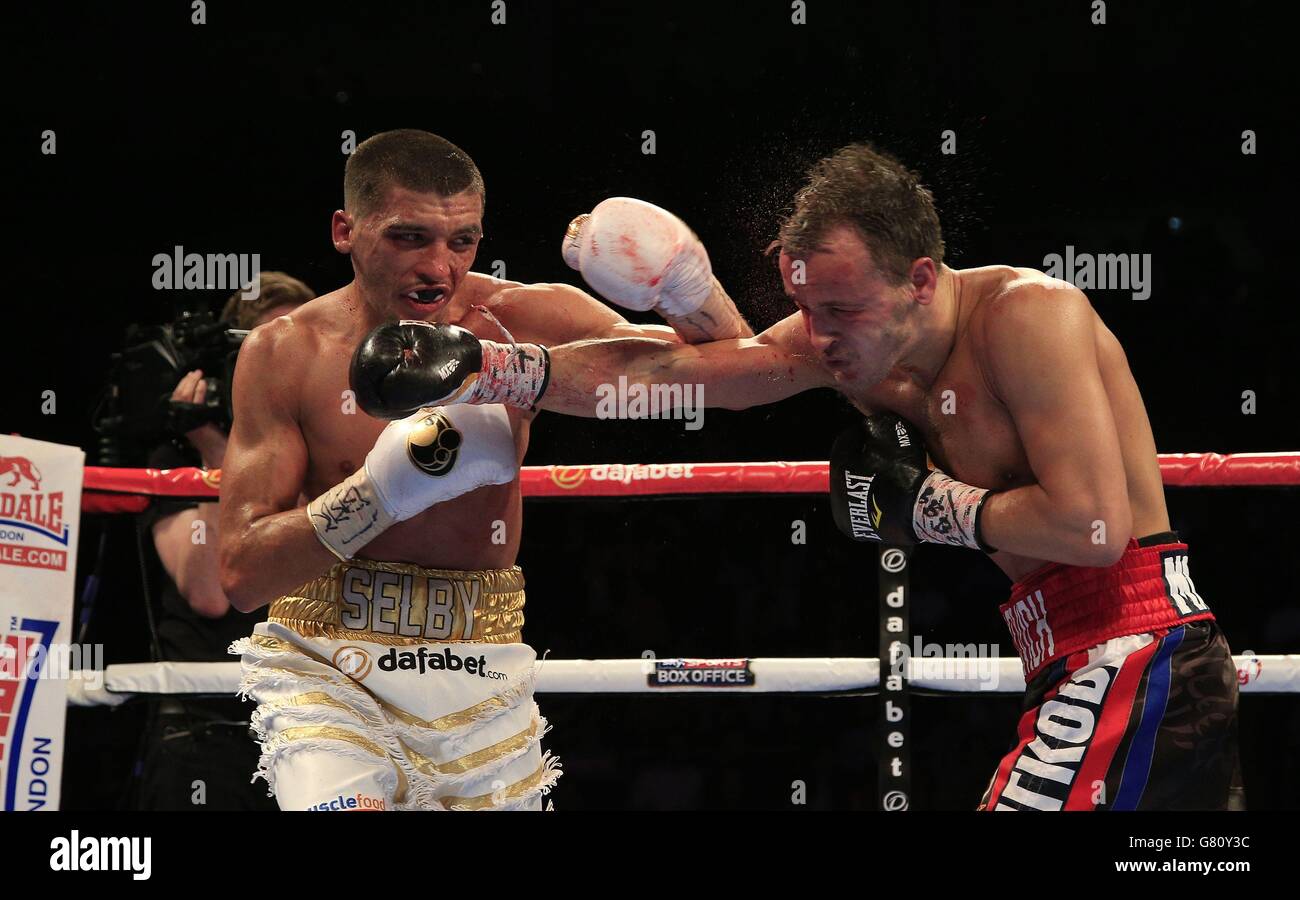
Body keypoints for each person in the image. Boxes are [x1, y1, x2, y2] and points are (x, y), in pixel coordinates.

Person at [392, 143, 1243, 811]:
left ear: (918, 280)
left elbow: (1091, 531)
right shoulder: (848, 344)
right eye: (806, 307)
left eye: (841, 310)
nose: (819, 335)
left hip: (1138, 654)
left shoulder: (1029, 315)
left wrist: (929, 507)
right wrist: (496, 369)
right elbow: (690, 377)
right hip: (1075, 659)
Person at [218, 129, 751, 810]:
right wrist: (376, 497)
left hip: (478, 656)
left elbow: (733, 372)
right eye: (410, 238)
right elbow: (239, 574)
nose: (440, 267)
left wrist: (686, 288)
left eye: (463, 241)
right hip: (328, 661)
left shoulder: (517, 320)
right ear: (345, 230)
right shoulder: (284, 353)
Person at [136, 271, 314, 810]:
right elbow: (213, 594)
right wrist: (215, 457)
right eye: (268, 348)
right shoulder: (176, 463)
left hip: (311, 724)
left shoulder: (333, 457)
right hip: (203, 726)